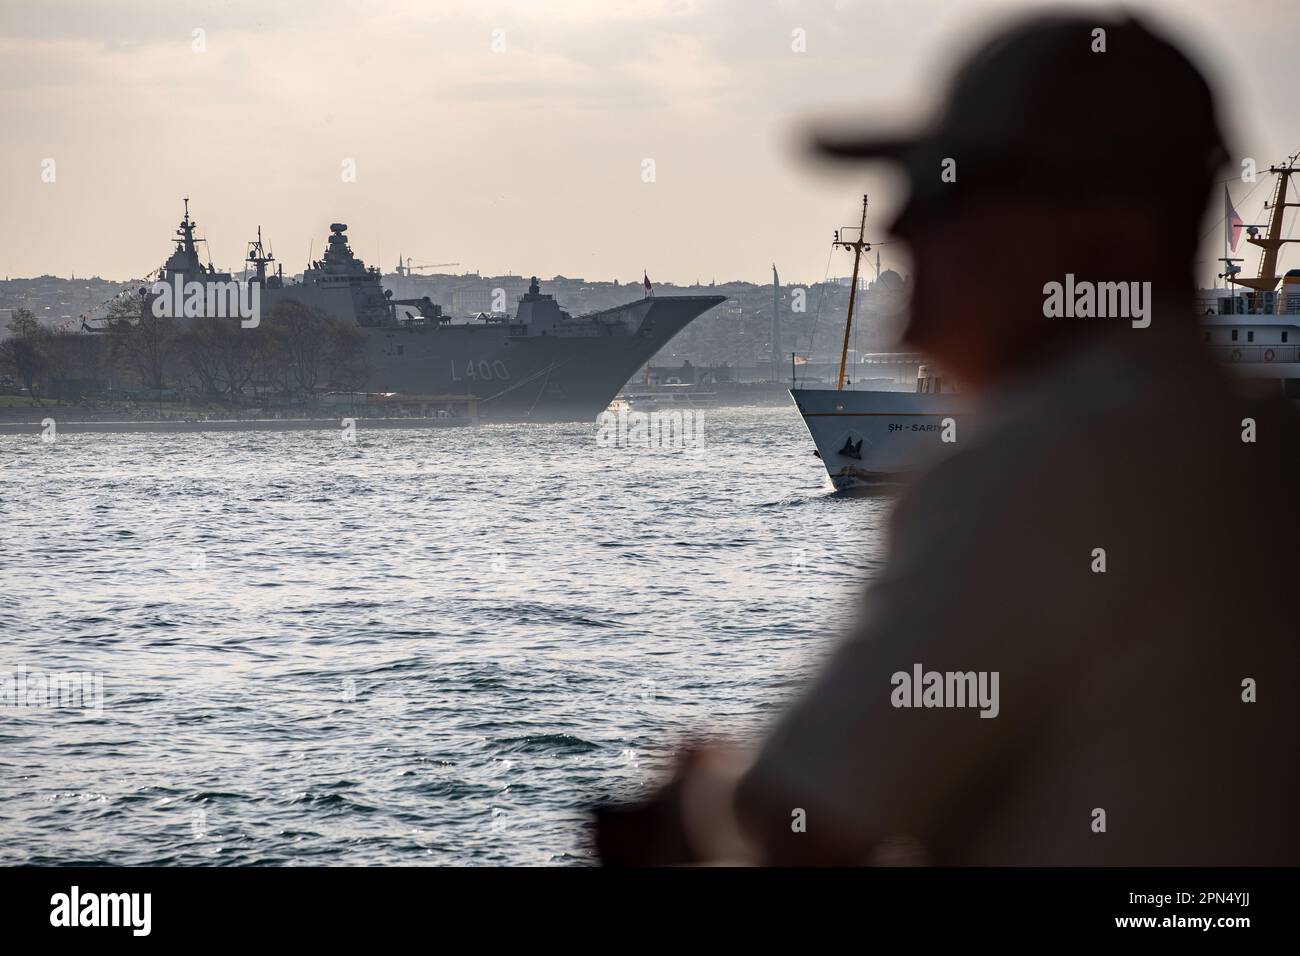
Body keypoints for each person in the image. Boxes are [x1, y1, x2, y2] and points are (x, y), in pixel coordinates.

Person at [595, 11, 1300, 866]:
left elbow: (798, 827)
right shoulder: (1257, 445)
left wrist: (699, 792)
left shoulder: (1041, 468)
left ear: (1111, 234)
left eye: (947, 192)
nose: (900, 230)